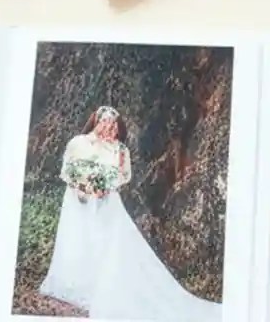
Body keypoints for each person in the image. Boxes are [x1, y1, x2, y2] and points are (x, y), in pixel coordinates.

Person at [38, 106, 220, 321]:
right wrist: (81, 186)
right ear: (96, 122)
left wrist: (105, 186)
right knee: (78, 237)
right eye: (104, 122)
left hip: (106, 201)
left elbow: (124, 175)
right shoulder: (78, 142)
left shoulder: (120, 149)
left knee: (105, 241)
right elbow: (67, 169)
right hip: (77, 199)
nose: (109, 127)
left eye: (113, 124)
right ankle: (74, 284)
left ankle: (100, 288)